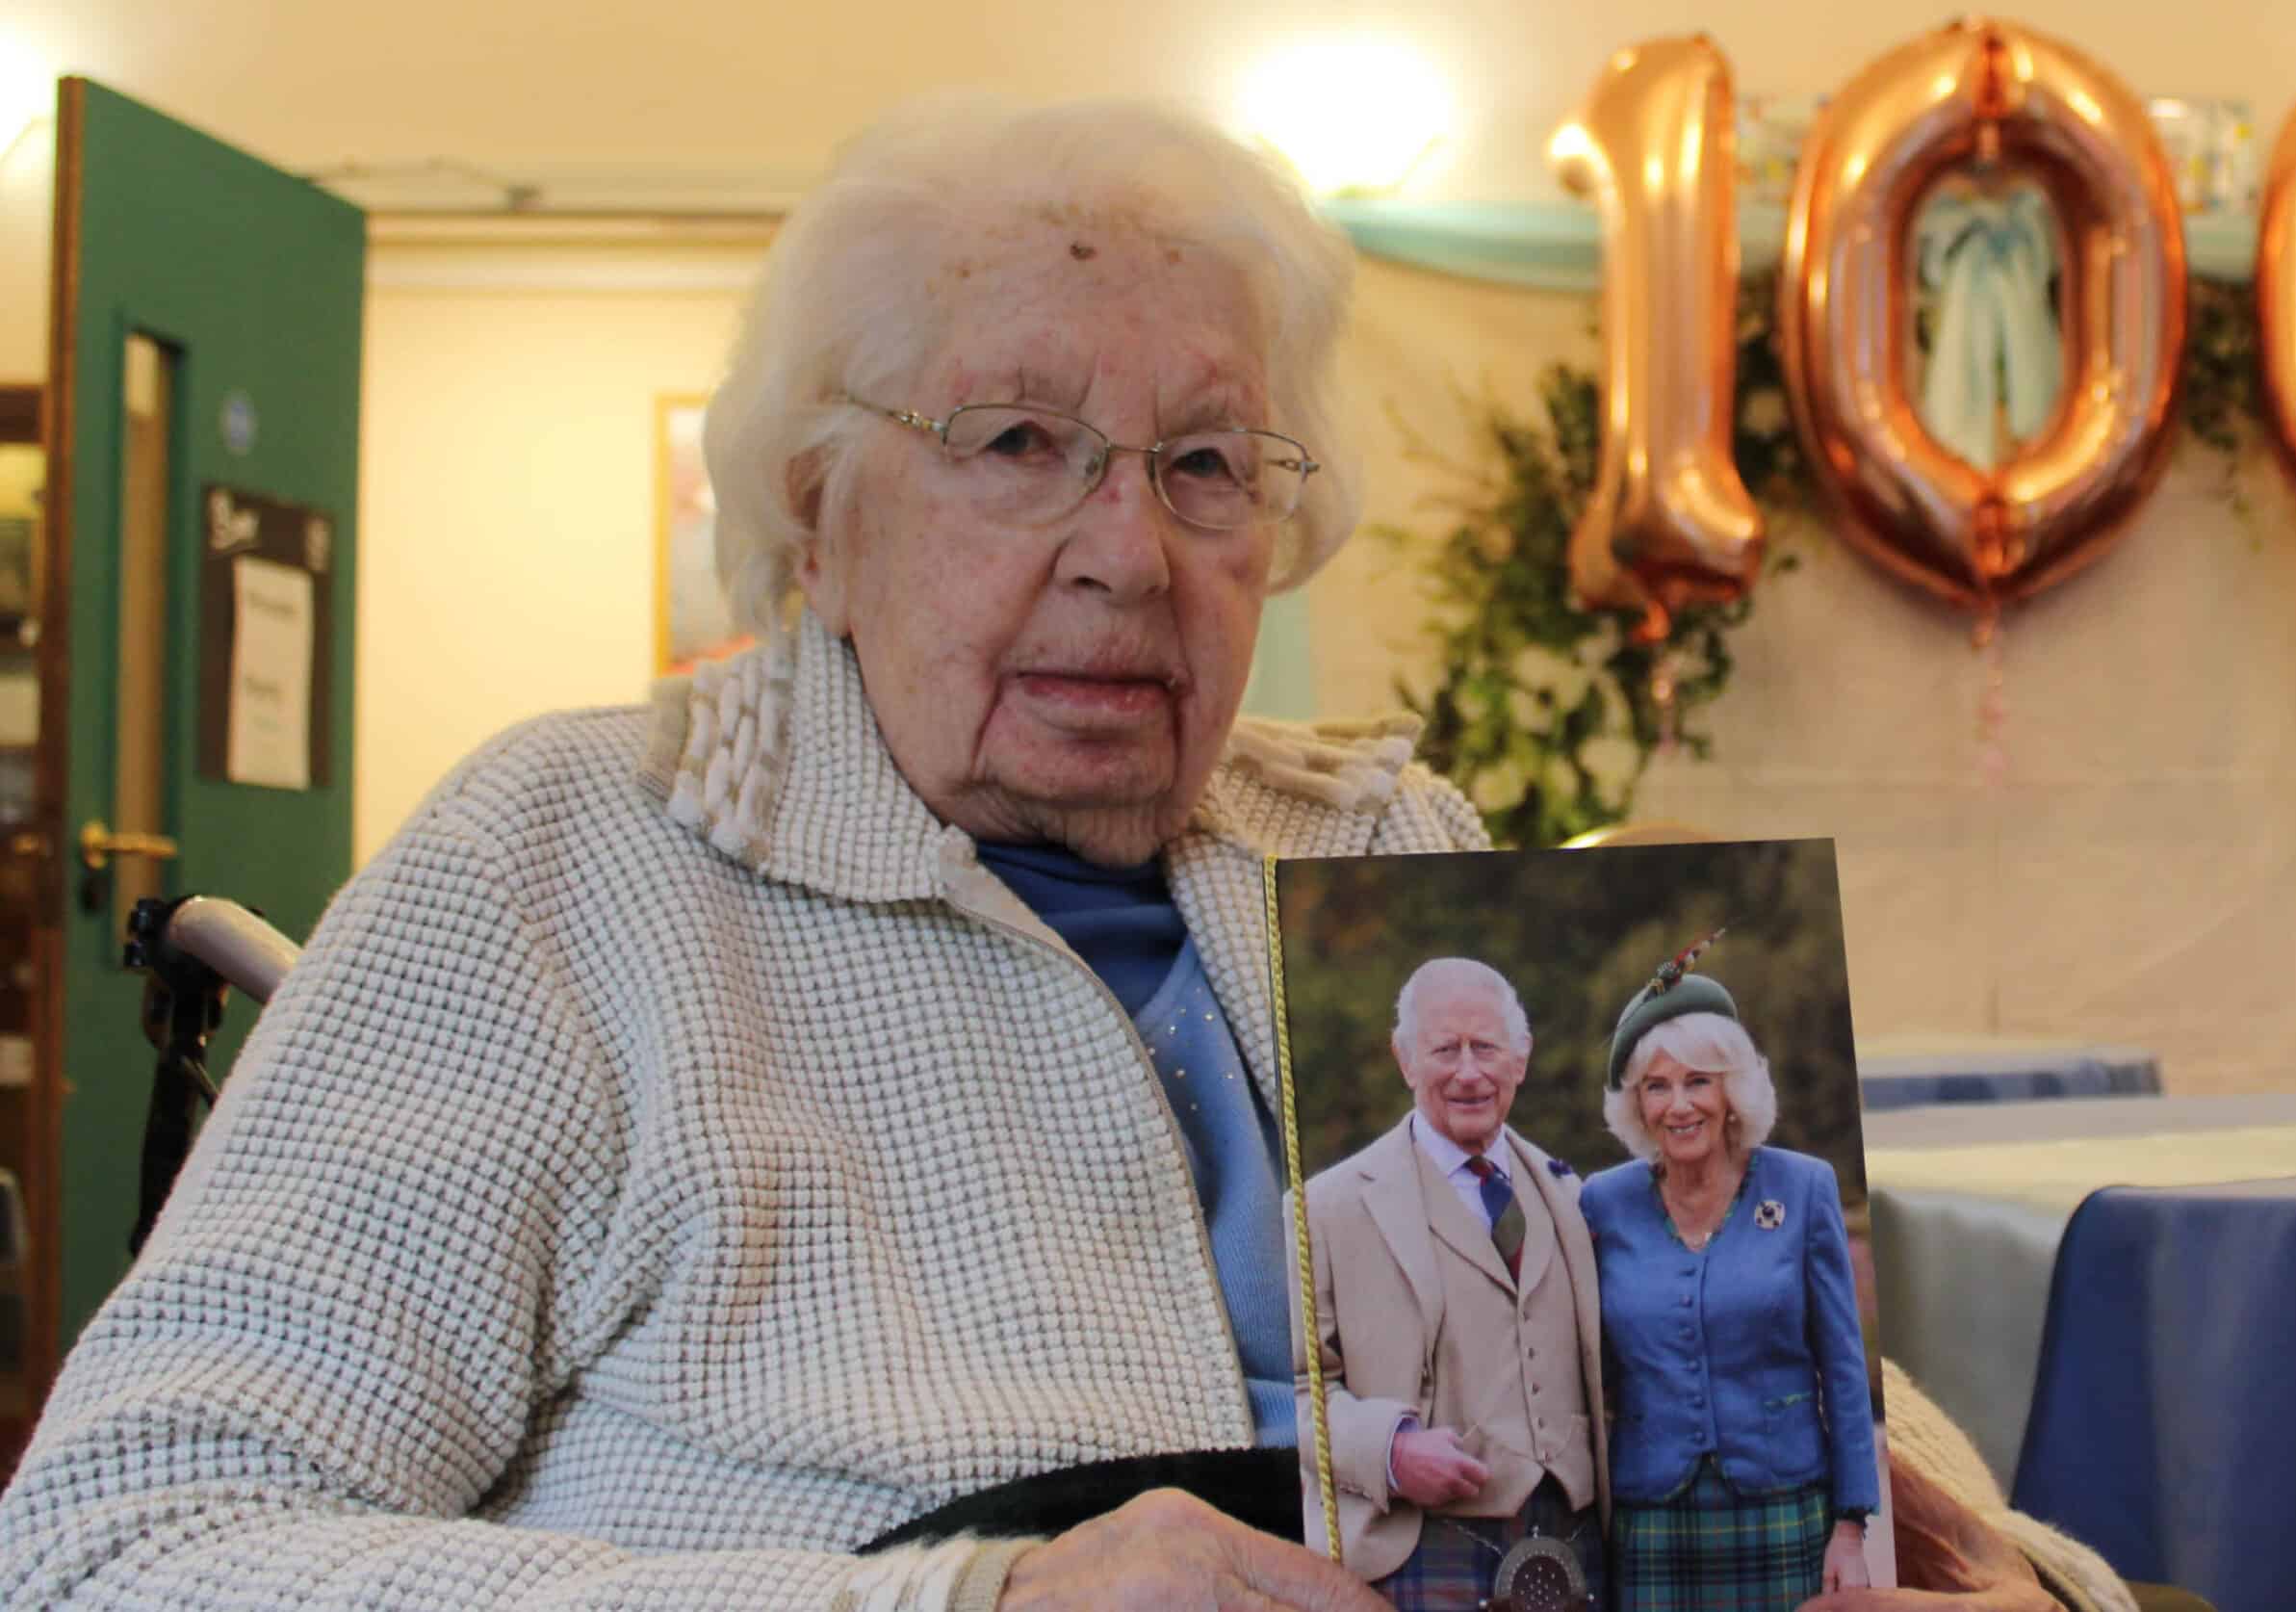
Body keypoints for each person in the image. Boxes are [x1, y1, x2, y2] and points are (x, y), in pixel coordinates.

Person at [0, 91, 2134, 1612]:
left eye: (1206, 463)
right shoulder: (568, 865)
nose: (1129, 550)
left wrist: (2015, 1583)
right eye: (1018, 441)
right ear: (817, 515)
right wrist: (969, 1601)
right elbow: (126, 1540)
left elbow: (1825, 1403)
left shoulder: (1391, 846)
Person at [1302, 960, 1605, 1608]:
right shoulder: (1324, 1209)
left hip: (1575, 1541)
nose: (1469, 1073)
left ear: (1521, 1059)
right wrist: (1389, 1451)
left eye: (1486, 1048)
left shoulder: (1571, 1194)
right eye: (1445, 1050)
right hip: (1419, 1549)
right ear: (1406, 1060)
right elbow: (1291, 1392)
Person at [1580, 961, 1880, 1611]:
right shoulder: (1601, 1203)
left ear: (1733, 1091)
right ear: (1637, 1105)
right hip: (1650, 1517)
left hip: (1784, 1506)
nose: (1679, 1105)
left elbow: (1844, 1367)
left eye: (1698, 1081)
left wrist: (1851, 1529)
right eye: (1657, 1087)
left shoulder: (1803, 1188)